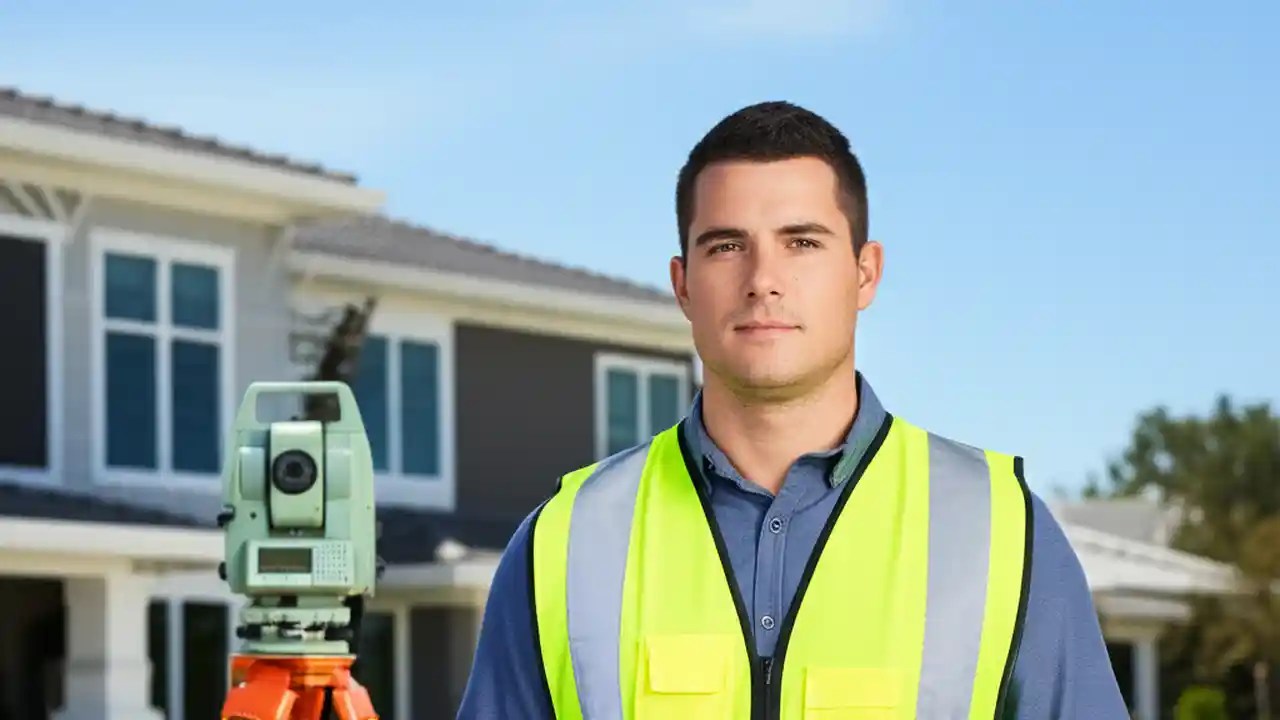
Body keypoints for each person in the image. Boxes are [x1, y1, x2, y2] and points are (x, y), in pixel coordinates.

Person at [456, 101, 1130, 719]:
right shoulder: (564, 543)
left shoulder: (1003, 532)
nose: (763, 280)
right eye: (726, 245)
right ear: (683, 283)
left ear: (865, 273)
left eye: (802, 241)